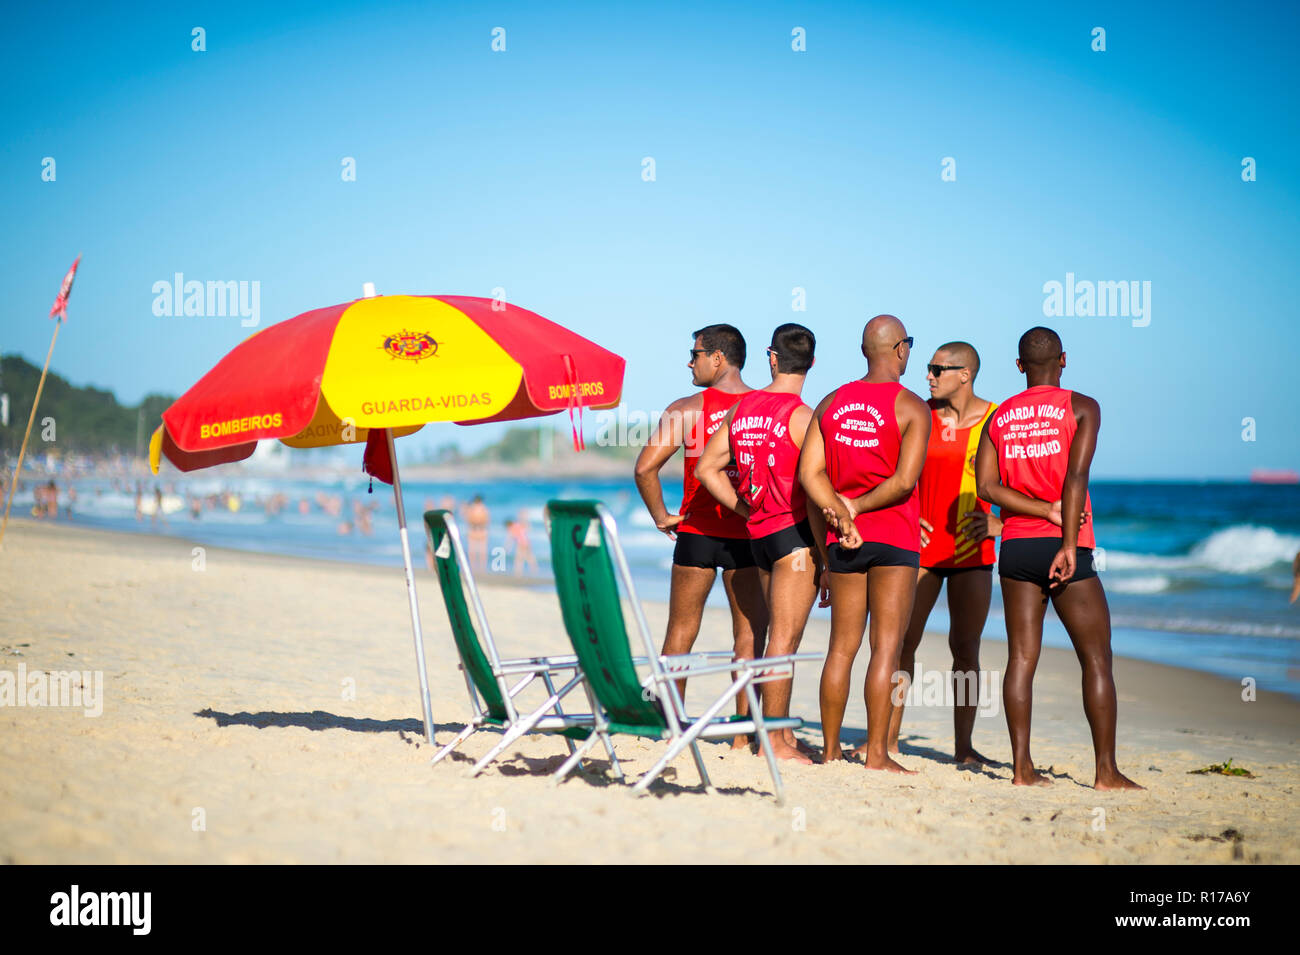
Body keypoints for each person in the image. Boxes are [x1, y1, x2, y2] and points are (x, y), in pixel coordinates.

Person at [974, 326, 1141, 790]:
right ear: (1063, 360)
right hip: (1066, 544)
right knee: (1097, 658)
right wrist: (1068, 542)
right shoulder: (1082, 407)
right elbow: (1076, 476)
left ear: (1019, 365)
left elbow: (987, 487)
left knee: (1021, 659)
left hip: (1016, 548)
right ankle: (1106, 772)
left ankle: (1022, 769)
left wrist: (1033, 511)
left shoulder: (998, 417)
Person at [799, 314, 930, 773]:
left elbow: (809, 474)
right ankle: (876, 754)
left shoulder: (831, 402)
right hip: (893, 536)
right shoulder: (912, 406)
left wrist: (840, 512)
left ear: (863, 351)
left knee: (841, 647)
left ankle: (830, 750)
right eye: (909, 345)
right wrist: (856, 505)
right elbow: (904, 482)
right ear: (900, 350)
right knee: (887, 648)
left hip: (843, 540)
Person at [633, 324, 768, 739]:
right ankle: (744, 733)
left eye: (695, 354)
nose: (689, 363)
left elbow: (644, 468)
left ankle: (671, 723)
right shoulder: (765, 410)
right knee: (748, 637)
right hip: (749, 534)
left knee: (680, 631)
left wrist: (661, 516)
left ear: (718, 358)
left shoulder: (687, 409)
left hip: (697, 534)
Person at [696, 323, 818, 762]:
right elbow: (817, 487)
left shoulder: (743, 407)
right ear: (812, 363)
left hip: (760, 535)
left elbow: (706, 469)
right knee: (784, 641)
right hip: (794, 535)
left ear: (772, 358)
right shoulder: (803, 417)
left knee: (775, 638)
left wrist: (744, 509)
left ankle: (776, 734)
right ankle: (775, 741)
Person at [887, 342, 1000, 765]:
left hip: (973, 551)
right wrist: (905, 515)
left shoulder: (995, 419)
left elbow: (1021, 480)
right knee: (902, 643)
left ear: (965, 374)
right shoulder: (921, 414)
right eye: (928, 368)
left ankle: (964, 747)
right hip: (920, 549)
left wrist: (1002, 524)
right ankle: (887, 739)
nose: (929, 376)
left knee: (966, 649)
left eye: (938, 369)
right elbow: (891, 472)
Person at [506, 512, 538, 577]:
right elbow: (527, 528)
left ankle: (518, 572)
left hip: (521, 544)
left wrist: (507, 548)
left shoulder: (512, 528)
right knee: (529, 557)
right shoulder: (518, 525)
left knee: (519, 558)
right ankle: (535, 569)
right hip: (527, 543)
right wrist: (523, 516)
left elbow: (510, 539)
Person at [464, 495, 490, 571]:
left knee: (473, 549)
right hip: (480, 529)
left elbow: (468, 519)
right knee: (481, 550)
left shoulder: (472, 508)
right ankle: (482, 567)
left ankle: (474, 567)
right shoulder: (484, 508)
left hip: (474, 529)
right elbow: (487, 520)